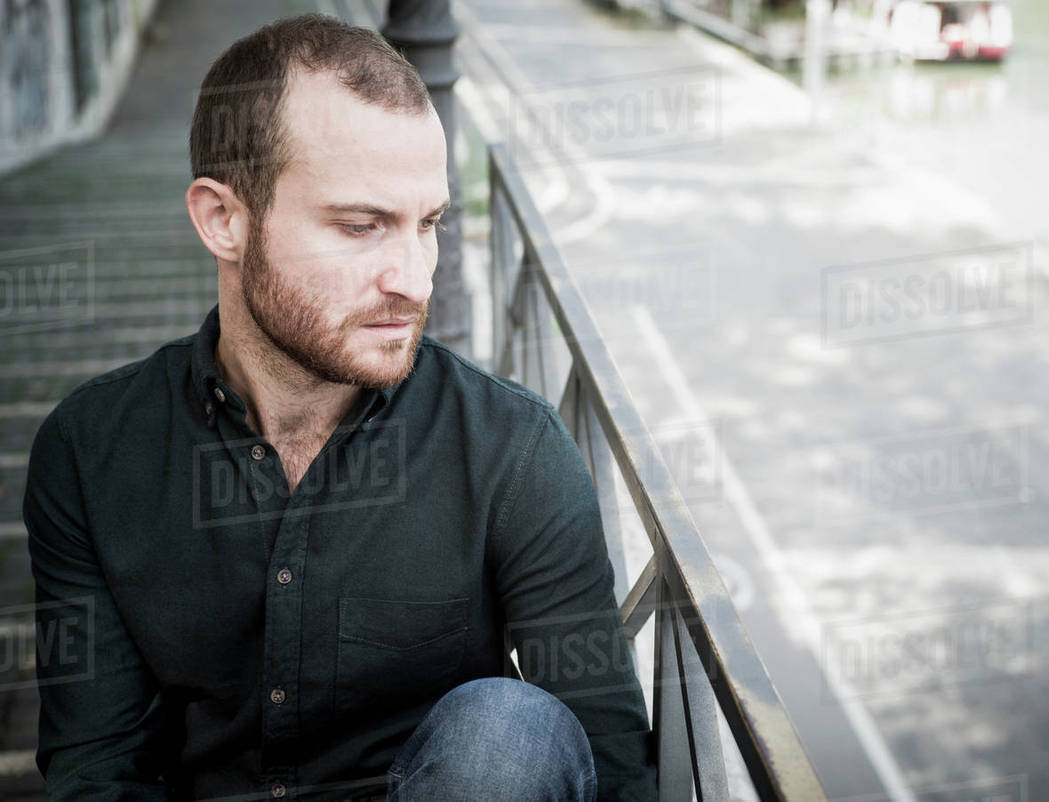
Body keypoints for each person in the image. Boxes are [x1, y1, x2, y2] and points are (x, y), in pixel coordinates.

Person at [24, 14, 656, 801]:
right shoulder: (90, 453)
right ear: (224, 219)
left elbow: (613, 766)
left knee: (507, 732)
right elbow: (98, 769)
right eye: (361, 226)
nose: (416, 280)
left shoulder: (511, 450)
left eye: (427, 224)